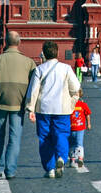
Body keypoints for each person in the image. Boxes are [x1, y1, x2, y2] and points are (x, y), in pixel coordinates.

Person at [0, 31, 36, 180]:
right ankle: (10, 170)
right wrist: (28, 102)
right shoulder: (29, 62)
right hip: (18, 105)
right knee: (15, 138)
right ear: (19, 43)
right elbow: (34, 86)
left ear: (5, 42)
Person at [26, 41, 80, 178]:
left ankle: (49, 169)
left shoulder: (40, 69)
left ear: (44, 53)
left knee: (44, 138)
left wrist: (30, 109)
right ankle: (61, 157)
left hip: (43, 109)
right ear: (57, 52)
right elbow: (76, 87)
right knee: (61, 134)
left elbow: (33, 91)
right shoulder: (66, 68)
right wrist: (71, 104)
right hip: (62, 109)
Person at [69, 90, 91, 171]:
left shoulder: (83, 105)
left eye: (77, 93)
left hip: (80, 128)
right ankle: (72, 159)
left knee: (79, 143)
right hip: (70, 128)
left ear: (80, 94)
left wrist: (88, 124)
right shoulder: (69, 105)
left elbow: (87, 114)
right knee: (71, 144)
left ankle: (80, 159)